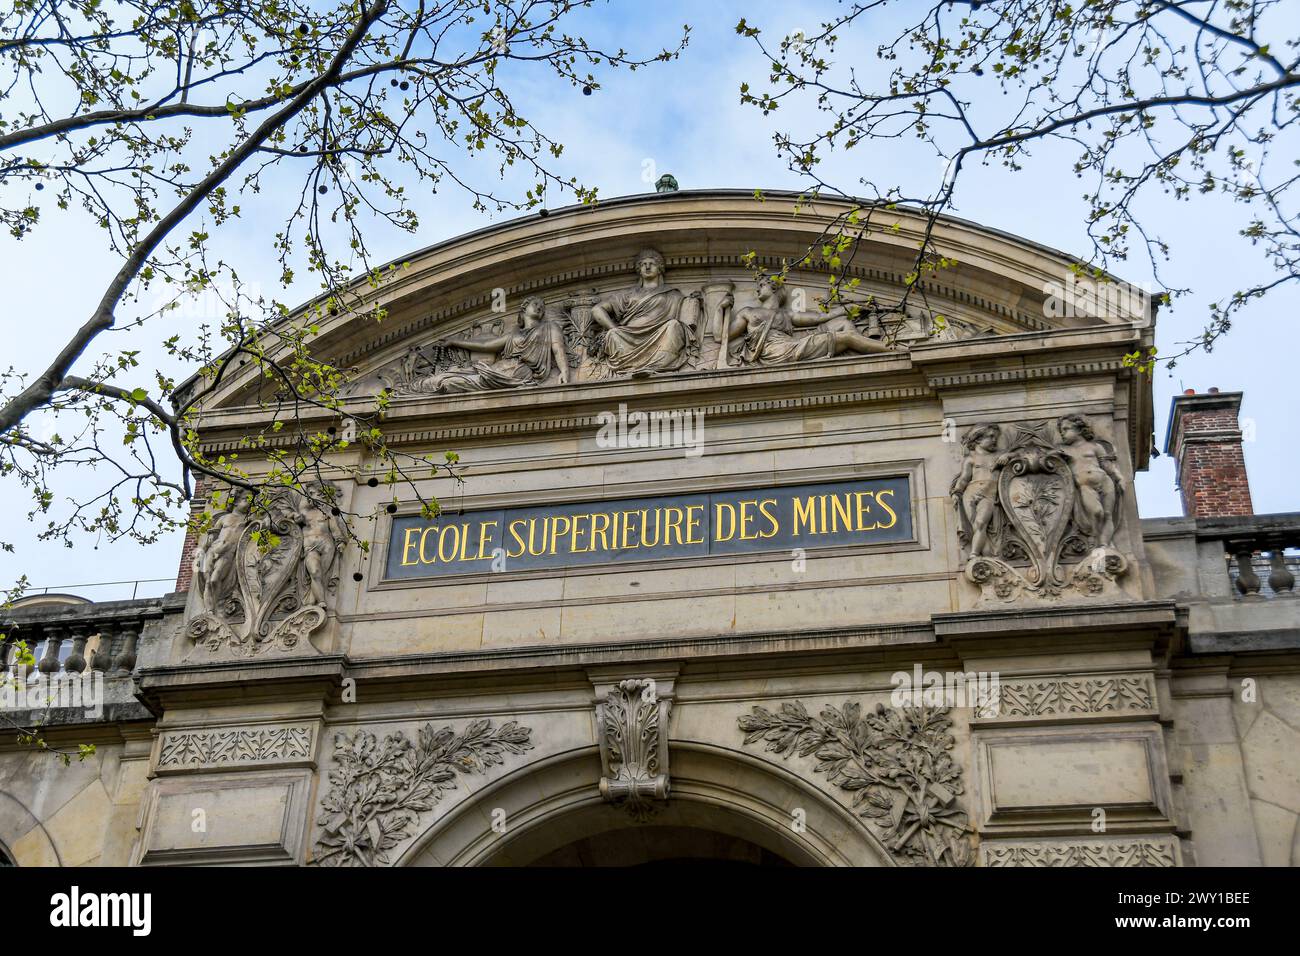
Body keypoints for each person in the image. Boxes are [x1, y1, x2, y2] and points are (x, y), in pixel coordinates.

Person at [721, 275, 900, 368]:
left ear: (774, 287)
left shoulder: (787, 315)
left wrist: (851, 308)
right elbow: (721, 336)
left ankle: (862, 350)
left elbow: (821, 317)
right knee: (847, 338)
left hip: (792, 347)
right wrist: (720, 309)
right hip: (780, 353)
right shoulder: (748, 312)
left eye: (762, 284)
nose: (758, 288)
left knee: (844, 323)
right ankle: (894, 351)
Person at [414, 296, 569, 393]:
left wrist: (564, 371)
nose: (540, 306)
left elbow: (558, 349)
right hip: (500, 367)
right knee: (451, 375)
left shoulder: (550, 327)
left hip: (519, 371)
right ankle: (427, 384)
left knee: (453, 382)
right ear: (524, 308)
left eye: (542, 306)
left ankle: (439, 384)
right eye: (535, 303)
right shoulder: (513, 333)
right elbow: (486, 345)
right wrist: (454, 341)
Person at [590, 248, 693, 376]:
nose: (647, 267)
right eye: (643, 264)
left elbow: (687, 317)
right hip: (628, 336)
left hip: (660, 333)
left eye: (652, 264)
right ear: (639, 269)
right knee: (613, 334)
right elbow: (596, 309)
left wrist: (693, 301)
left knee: (674, 325)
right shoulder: (628, 294)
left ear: (660, 268)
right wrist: (614, 328)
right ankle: (632, 366)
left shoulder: (673, 295)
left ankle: (655, 365)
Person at [1056, 414, 1126, 548]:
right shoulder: (1063, 449)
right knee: (1096, 512)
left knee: (1107, 514)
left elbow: (1107, 466)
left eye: (1066, 429)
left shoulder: (1094, 447)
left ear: (1079, 429)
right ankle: (1094, 538)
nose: (1062, 434)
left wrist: (1119, 478)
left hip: (1105, 481)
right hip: (1084, 485)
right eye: (1060, 431)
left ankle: (1105, 543)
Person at [950, 424, 1003, 557]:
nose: (994, 440)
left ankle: (974, 553)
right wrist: (957, 493)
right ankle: (984, 552)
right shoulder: (971, 459)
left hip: (989, 494)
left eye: (995, 437)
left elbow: (1016, 453)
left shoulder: (998, 456)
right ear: (978, 439)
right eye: (990, 436)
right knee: (974, 526)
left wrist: (1008, 455)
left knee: (981, 522)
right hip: (971, 494)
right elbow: (963, 479)